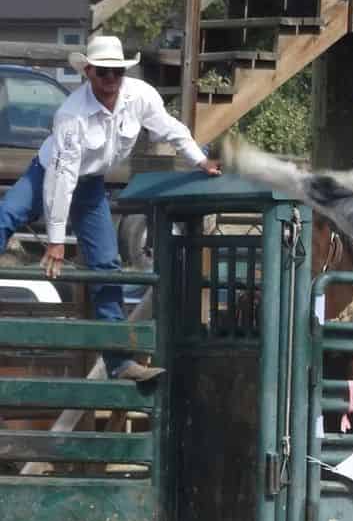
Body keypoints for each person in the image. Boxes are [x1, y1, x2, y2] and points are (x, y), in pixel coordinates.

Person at [0, 35, 220, 380]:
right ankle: (119, 360)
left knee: (107, 266)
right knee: (6, 215)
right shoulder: (71, 115)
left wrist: (199, 160)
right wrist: (56, 240)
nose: (110, 80)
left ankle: (118, 362)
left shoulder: (140, 97)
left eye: (116, 72)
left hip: (90, 185)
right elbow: (61, 178)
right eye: (103, 73)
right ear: (88, 72)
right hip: (49, 172)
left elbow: (170, 129)